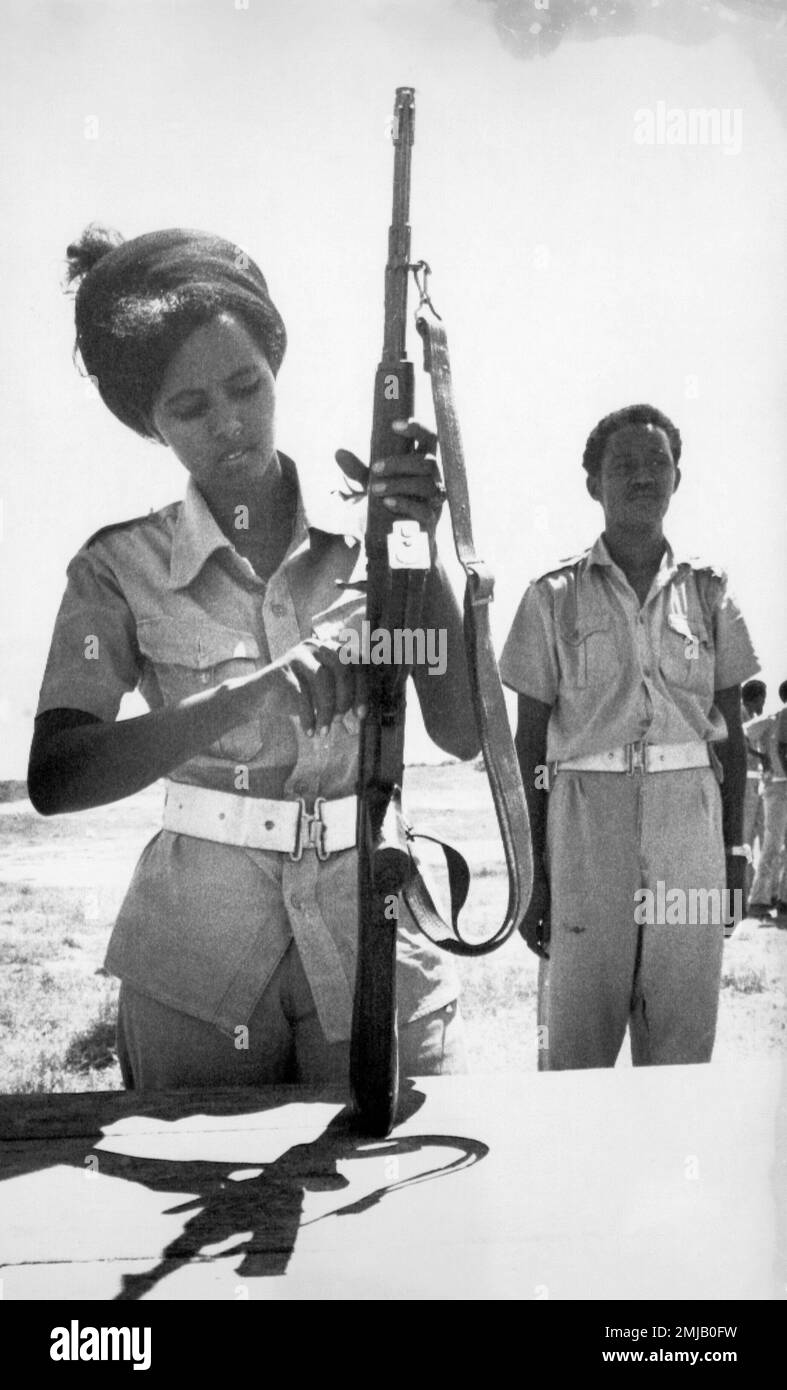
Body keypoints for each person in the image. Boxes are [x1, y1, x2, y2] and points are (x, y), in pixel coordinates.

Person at [28, 225, 480, 1089]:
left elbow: (461, 733)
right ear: (149, 424)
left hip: (373, 947)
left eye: (247, 386)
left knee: (395, 1212)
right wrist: (252, 693)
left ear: (276, 370)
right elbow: (58, 775)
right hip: (196, 969)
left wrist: (421, 552)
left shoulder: (371, 548)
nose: (230, 424)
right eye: (188, 409)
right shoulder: (118, 569)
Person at [500, 403, 760, 1070]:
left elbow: (729, 736)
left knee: (680, 1034)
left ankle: (667, 1170)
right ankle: (576, 1171)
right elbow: (527, 748)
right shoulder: (550, 595)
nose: (643, 476)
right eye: (623, 466)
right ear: (593, 483)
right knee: (576, 1044)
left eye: (657, 463)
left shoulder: (708, 592)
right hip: (586, 817)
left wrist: (732, 847)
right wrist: (532, 876)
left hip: (689, 819)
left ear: (677, 477)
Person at [747, 678, 787, 922]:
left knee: (775, 844)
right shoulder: (772, 719)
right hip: (775, 788)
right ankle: (759, 899)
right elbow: (741, 733)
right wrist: (762, 756)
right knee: (772, 844)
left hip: (775, 788)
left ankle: (782, 899)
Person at [740, 678, 768, 908]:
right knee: (747, 838)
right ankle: (746, 892)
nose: (764, 704)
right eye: (762, 699)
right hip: (747, 783)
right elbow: (741, 742)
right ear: (756, 697)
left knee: (761, 835)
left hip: (756, 783)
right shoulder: (741, 714)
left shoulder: (752, 718)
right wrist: (762, 758)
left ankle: (756, 891)